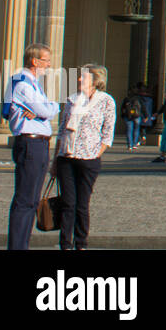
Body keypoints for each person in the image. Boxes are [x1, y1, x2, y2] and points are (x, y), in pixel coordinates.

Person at [52, 64, 116, 250]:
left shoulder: (106, 101)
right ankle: (65, 243)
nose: (79, 80)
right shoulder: (72, 100)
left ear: (95, 81)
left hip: (89, 159)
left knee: (82, 203)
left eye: (84, 77)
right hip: (67, 156)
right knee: (67, 203)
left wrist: (97, 152)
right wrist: (55, 159)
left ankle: (81, 242)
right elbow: (62, 130)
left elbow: (108, 132)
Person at [6, 43, 61, 251]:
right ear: (35, 61)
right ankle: (17, 246)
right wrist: (44, 110)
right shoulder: (22, 84)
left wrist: (44, 110)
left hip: (39, 142)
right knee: (25, 199)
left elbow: (47, 108)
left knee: (31, 199)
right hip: (30, 142)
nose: (49, 64)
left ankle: (22, 245)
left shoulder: (34, 84)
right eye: (46, 60)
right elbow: (45, 110)